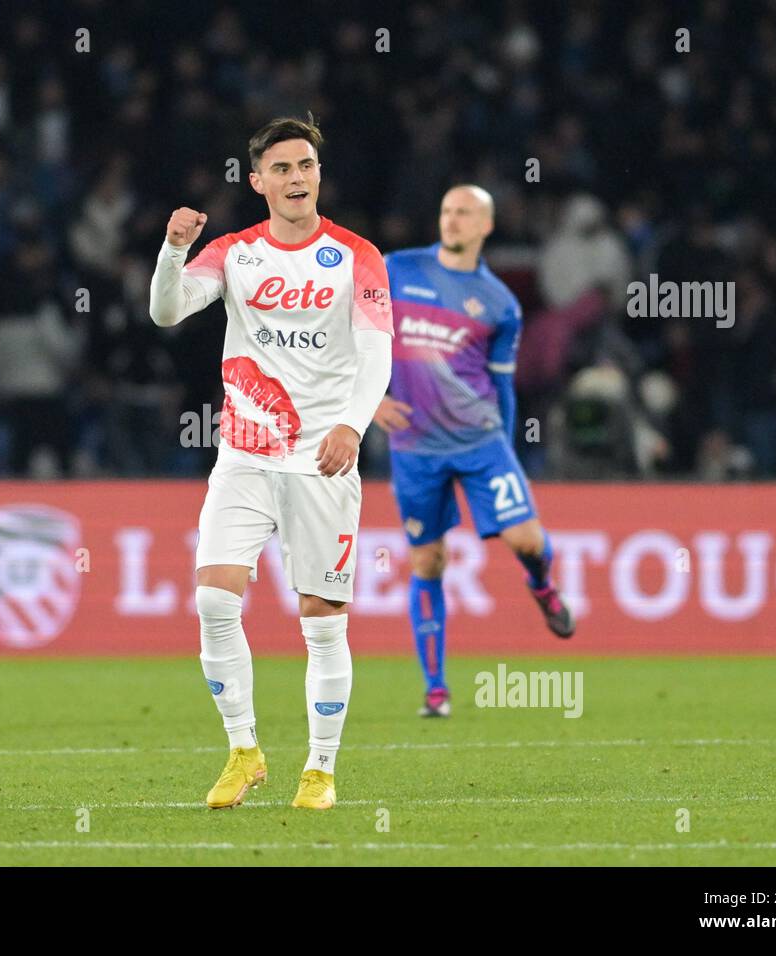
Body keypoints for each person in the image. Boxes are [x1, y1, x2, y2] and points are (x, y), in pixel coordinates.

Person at [149, 116, 392, 810]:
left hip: (322, 457)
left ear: (319, 173)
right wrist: (172, 251)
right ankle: (244, 751)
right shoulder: (232, 253)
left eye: (305, 166)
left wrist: (351, 424)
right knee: (213, 598)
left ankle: (319, 770)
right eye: (280, 168)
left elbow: (377, 351)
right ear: (256, 181)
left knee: (321, 618)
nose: (295, 179)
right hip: (245, 454)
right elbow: (167, 312)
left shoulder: (356, 256)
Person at [376, 185, 574, 719]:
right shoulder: (396, 269)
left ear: (487, 225)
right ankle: (435, 688)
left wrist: (505, 447)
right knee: (428, 559)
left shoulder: (500, 304)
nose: (453, 220)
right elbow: (350, 334)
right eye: (446, 211)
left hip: (480, 441)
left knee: (526, 540)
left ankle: (542, 585)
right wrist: (369, 403)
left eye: (465, 213)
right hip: (415, 446)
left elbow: (503, 384)